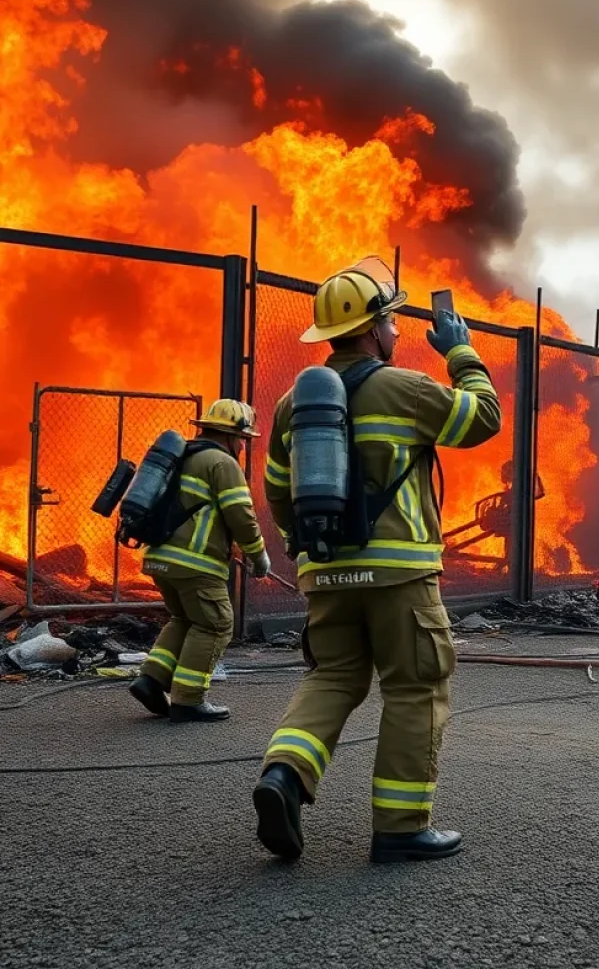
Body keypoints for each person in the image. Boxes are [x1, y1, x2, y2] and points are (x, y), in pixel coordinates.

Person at [252, 257, 501, 864]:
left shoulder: (291, 407)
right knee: (416, 687)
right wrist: (461, 352)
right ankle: (399, 827)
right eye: (390, 319)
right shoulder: (404, 387)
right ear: (372, 328)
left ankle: (284, 774)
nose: (396, 330)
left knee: (333, 678)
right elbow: (482, 419)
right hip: (401, 577)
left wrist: (308, 552)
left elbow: (277, 491)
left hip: (327, 575)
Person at [130, 399, 270, 723]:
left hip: (161, 558)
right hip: (195, 564)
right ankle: (188, 700)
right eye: (243, 440)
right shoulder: (222, 463)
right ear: (232, 435)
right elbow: (240, 515)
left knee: (185, 619)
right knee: (216, 623)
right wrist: (258, 555)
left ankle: (151, 679)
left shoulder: (183, 456)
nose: (243, 447)